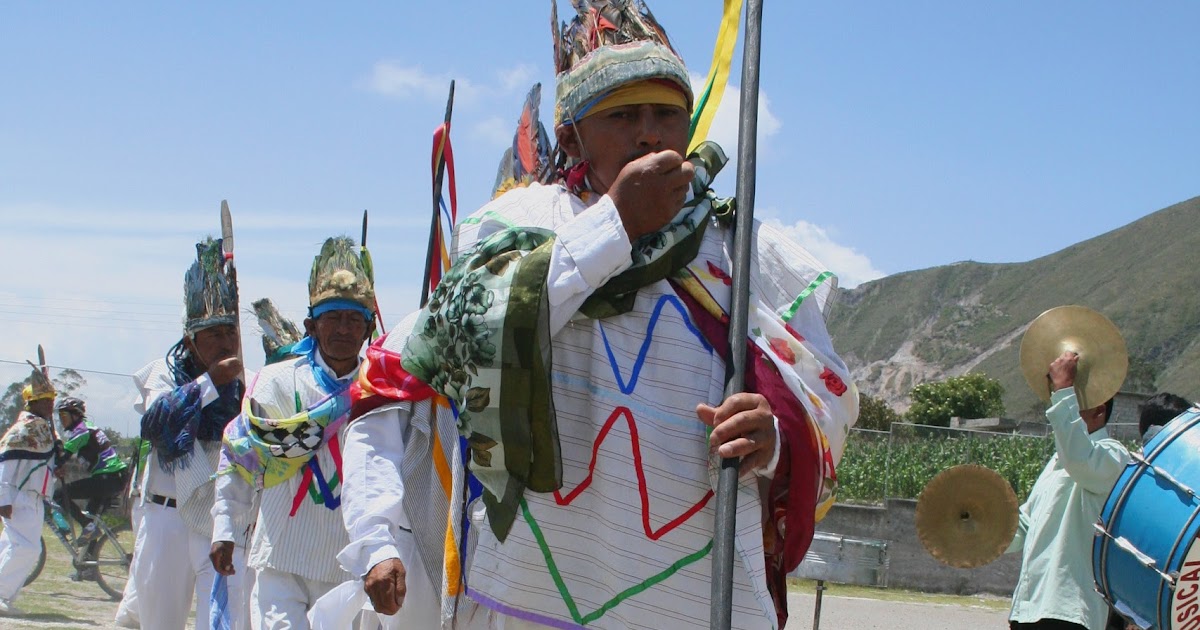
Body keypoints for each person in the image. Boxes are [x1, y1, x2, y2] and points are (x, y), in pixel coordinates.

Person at [337, 1, 858, 627]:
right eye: (621, 115)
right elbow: (460, 337)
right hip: (533, 595)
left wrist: (773, 436)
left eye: (667, 113)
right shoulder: (518, 224)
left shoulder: (742, 248)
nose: (648, 133)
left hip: (698, 598)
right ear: (570, 135)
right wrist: (615, 225)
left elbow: (828, 395)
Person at [212, 237, 378, 629]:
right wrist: (225, 528)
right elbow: (239, 459)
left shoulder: (381, 390)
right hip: (280, 557)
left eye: (354, 319)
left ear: (369, 327)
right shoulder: (274, 382)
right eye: (332, 317)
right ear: (311, 325)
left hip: (348, 564)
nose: (343, 328)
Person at [129, 237, 252, 629]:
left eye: (229, 332)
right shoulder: (165, 375)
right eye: (211, 334)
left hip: (218, 520)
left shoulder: (244, 384)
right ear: (190, 340)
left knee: (223, 619)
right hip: (165, 519)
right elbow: (156, 422)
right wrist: (210, 383)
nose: (223, 342)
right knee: (159, 622)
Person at [1007, 351, 1132, 630]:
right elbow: (1025, 528)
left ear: (1099, 410)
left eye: (1075, 401)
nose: (1063, 405)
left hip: (1070, 611)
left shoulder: (1113, 456)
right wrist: (981, 530)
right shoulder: (1057, 462)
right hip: (1029, 608)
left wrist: (1063, 389)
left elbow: (1079, 458)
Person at [0, 365, 59, 616]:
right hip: (19, 497)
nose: (50, 405)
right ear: (33, 402)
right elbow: (7, 465)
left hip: (35, 498)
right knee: (27, 548)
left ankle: (6, 597)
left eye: (52, 400)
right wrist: (3, 499)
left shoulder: (42, 427)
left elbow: (44, 462)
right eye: (45, 401)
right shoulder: (23, 429)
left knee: (13, 546)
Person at [52, 396, 129, 544]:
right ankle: (89, 560)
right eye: (59, 416)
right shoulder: (87, 427)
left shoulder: (82, 430)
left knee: (60, 495)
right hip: (114, 478)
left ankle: (87, 526)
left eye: (64, 416)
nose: (62, 420)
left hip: (107, 478)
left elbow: (62, 457)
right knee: (90, 519)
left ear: (75, 415)